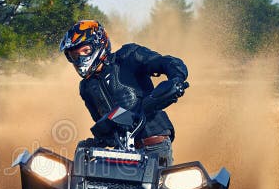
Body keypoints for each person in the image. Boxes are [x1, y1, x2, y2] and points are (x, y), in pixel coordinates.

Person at [59, 20, 188, 166]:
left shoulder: (128, 56)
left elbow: (166, 62)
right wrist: (97, 142)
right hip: (118, 154)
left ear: (99, 43)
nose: (80, 58)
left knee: (159, 188)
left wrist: (176, 79)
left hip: (153, 147)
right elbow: (107, 127)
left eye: (85, 51)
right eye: (75, 55)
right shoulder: (87, 87)